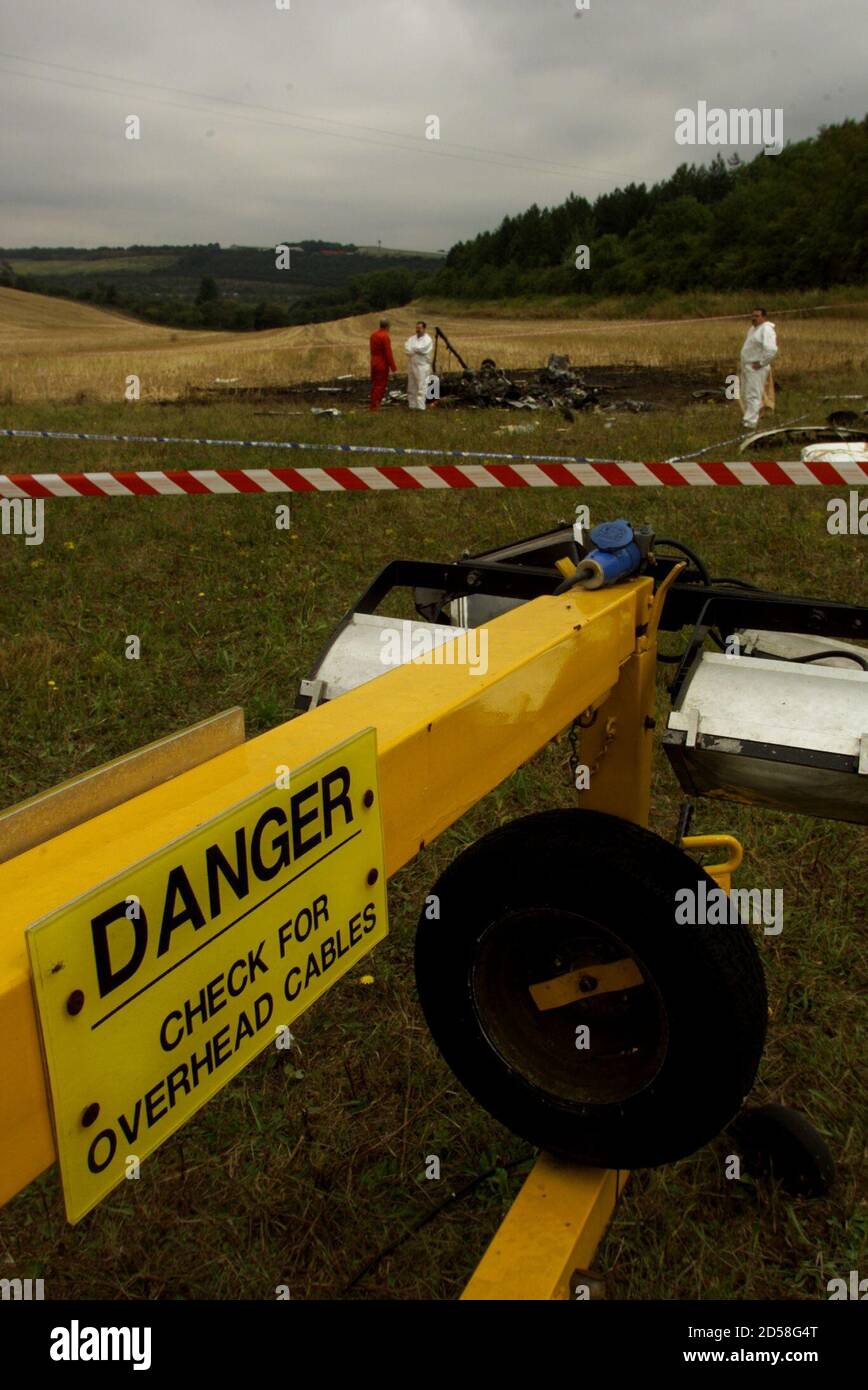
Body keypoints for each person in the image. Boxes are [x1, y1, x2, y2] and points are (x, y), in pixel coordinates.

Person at [739, 307, 778, 432]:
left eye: (757, 316)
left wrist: (761, 363)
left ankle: (750, 423)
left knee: (753, 395)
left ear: (764, 317)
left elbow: (771, 349)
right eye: (752, 316)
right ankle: (748, 418)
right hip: (747, 366)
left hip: (756, 367)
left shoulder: (766, 329)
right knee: (746, 393)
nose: (753, 318)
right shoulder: (753, 329)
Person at [404, 321, 435, 411]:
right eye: (417, 328)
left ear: (424, 329)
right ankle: (412, 405)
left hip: (422, 366)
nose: (417, 330)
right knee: (411, 385)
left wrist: (413, 349)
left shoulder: (427, 339)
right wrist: (414, 349)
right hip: (412, 364)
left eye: (419, 328)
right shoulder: (412, 338)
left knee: (421, 386)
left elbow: (423, 349)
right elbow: (407, 349)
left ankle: (420, 407)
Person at [369, 319, 398, 411]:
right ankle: (375, 407)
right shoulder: (385, 336)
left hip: (373, 361)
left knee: (375, 384)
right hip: (382, 362)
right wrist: (393, 368)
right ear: (388, 326)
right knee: (380, 385)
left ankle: (373, 404)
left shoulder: (373, 335)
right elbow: (388, 353)